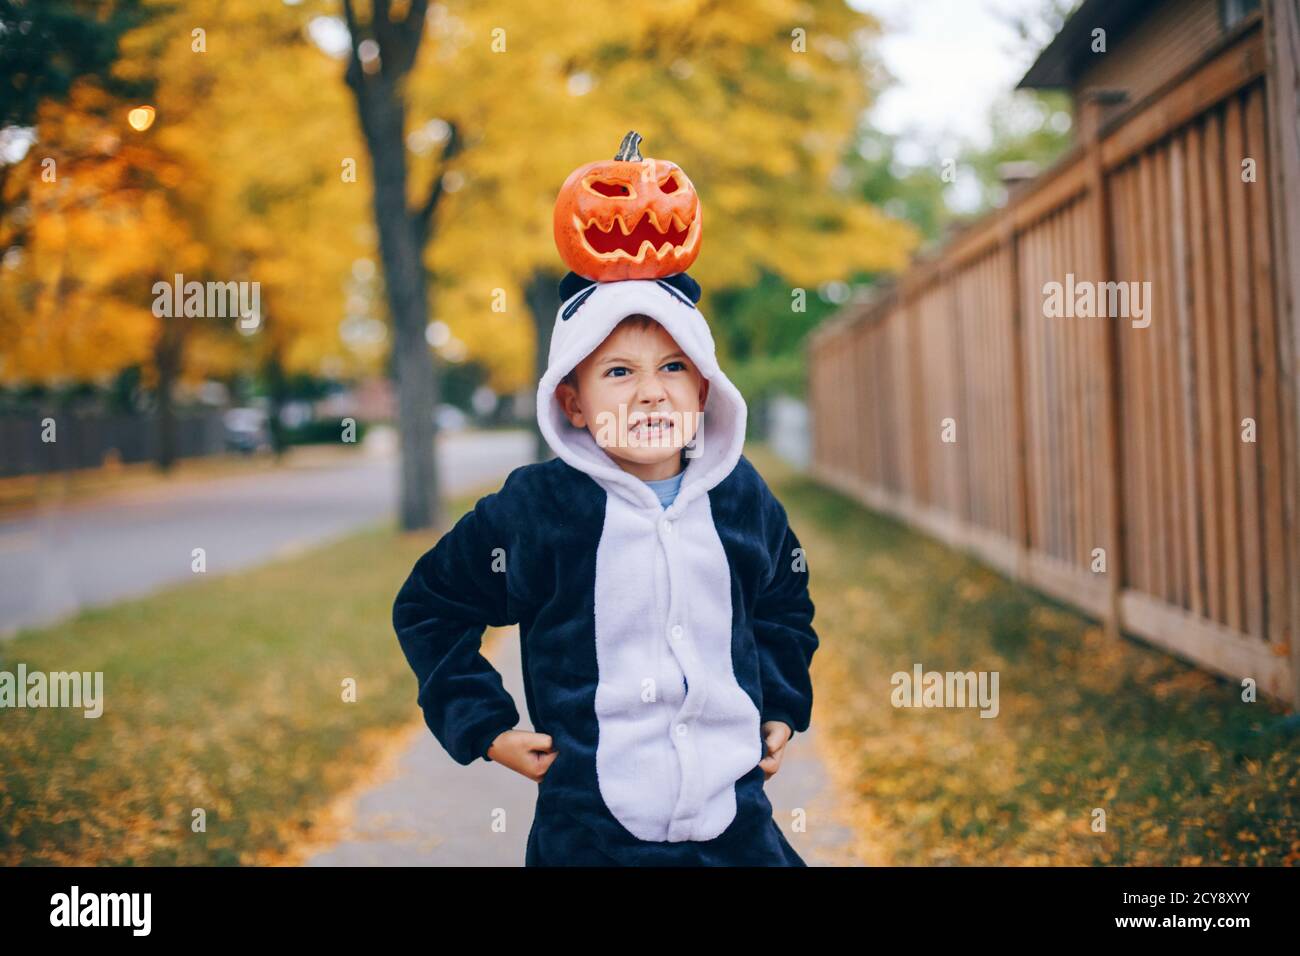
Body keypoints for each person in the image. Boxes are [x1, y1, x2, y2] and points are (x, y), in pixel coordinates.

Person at [391, 270, 819, 865]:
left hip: (737, 824)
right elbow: (430, 606)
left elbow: (784, 601)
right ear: (572, 403)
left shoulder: (740, 497)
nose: (650, 392)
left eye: (674, 367)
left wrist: (781, 703)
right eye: (619, 372)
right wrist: (485, 727)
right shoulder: (538, 510)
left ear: (704, 389)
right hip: (590, 833)